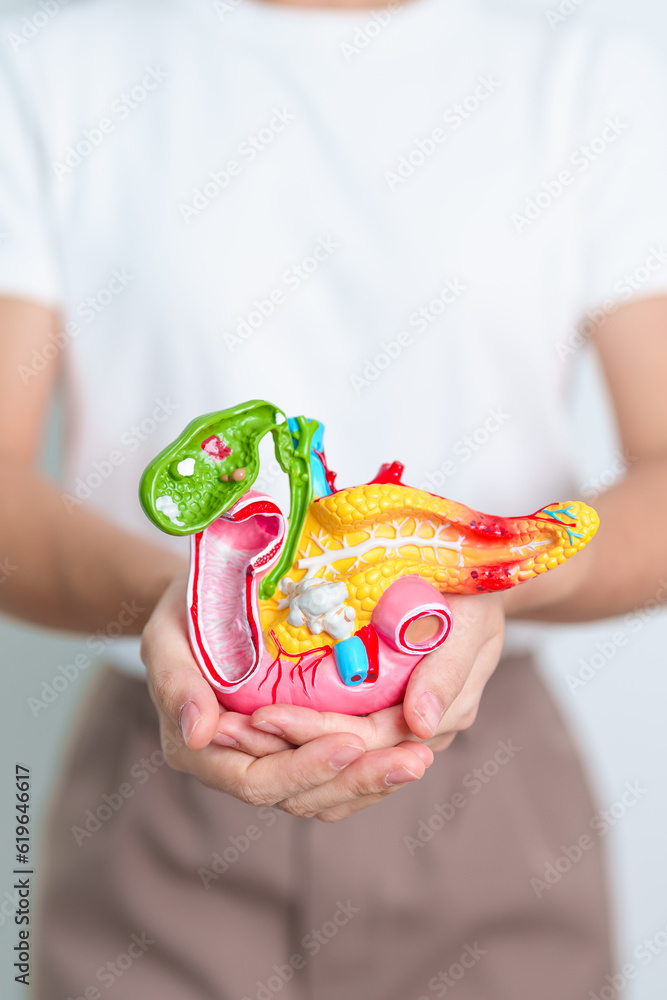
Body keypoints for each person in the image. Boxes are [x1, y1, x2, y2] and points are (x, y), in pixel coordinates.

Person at [1, 0, 667, 996]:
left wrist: (487, 588)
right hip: (160, 790)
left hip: (494, 800)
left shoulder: (595, 67)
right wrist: (186, 601)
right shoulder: (52, 58)